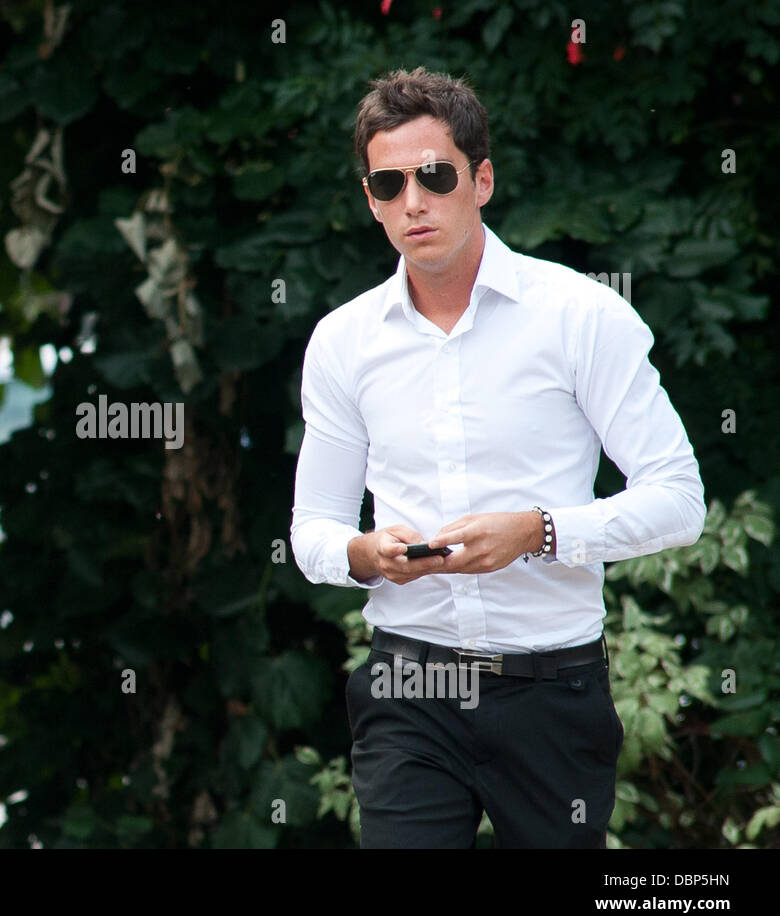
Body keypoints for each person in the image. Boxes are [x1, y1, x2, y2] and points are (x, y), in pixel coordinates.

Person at [290, 67, 705, 848]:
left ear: (481, 180)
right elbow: (313, 529)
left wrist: (539, 533)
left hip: (552, 687)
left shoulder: (581, 316)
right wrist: (365, 553)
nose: (413, 203)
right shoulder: (344, 342)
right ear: (370, 201)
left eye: (434, 176)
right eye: (388, 184)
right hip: (407, 685)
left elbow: (679, 500)